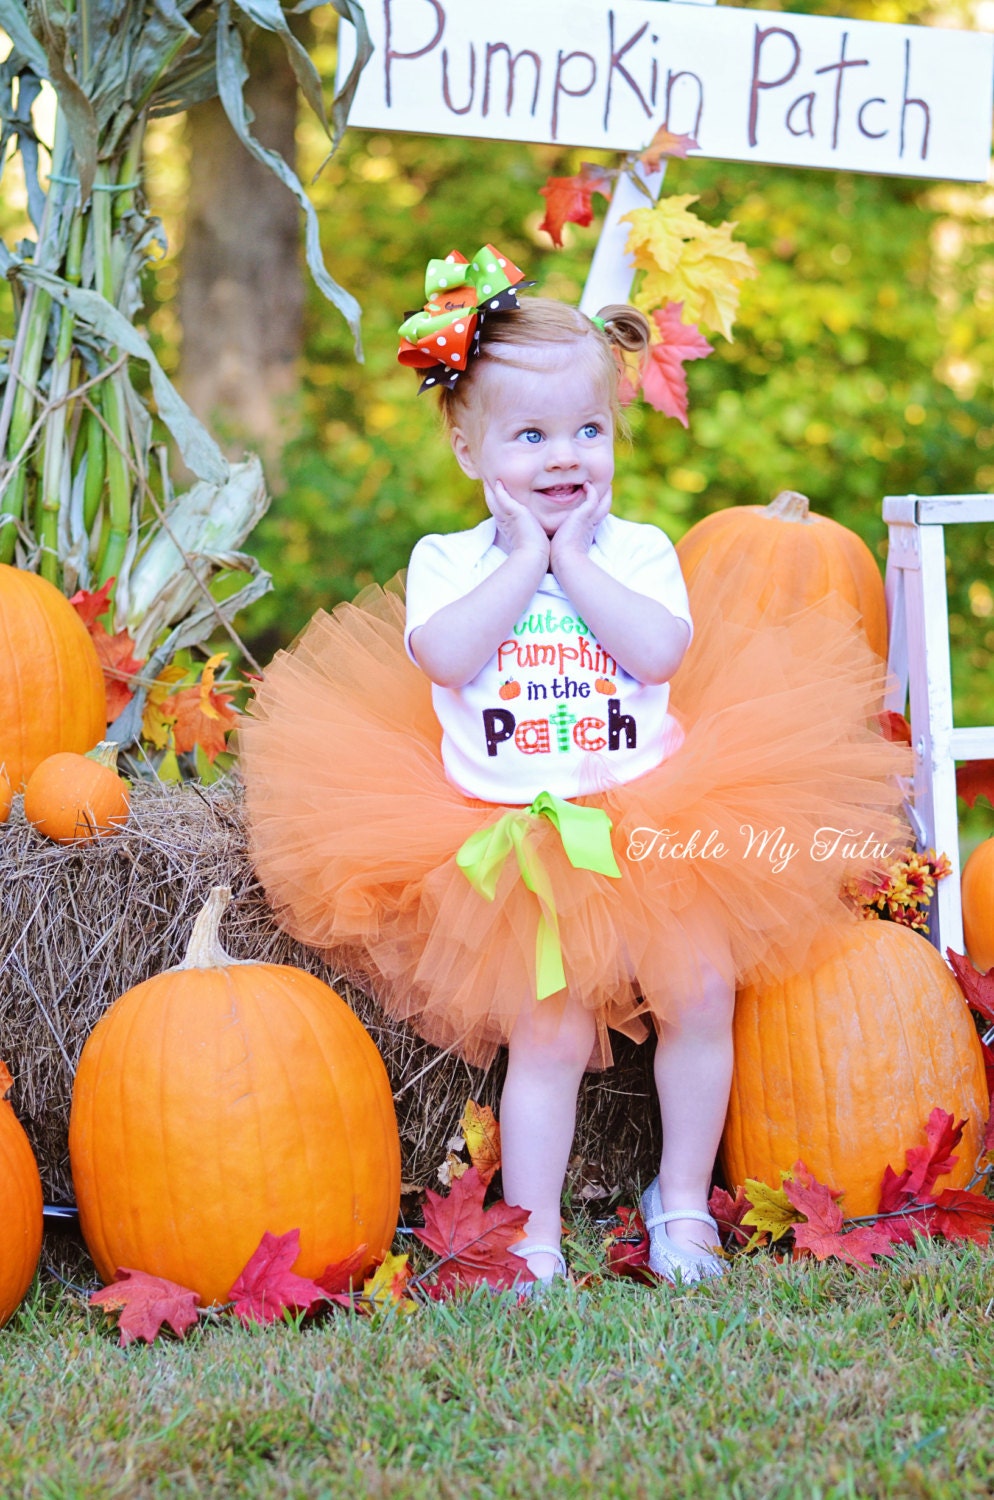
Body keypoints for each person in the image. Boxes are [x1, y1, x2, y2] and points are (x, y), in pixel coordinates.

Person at [240, 245, 911, 1289]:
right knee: (547, 1035)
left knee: (696, 992)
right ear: (469, 450)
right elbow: (450, 659)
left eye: (588, 431)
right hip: (518, 836)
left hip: (650, 820)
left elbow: (657, 654)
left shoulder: (635, 549)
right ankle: (534, 1228)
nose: (564, 456)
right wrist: (522, 560)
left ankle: (680, 1199)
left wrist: (575, 562)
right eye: (532, 436)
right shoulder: (447, 562)